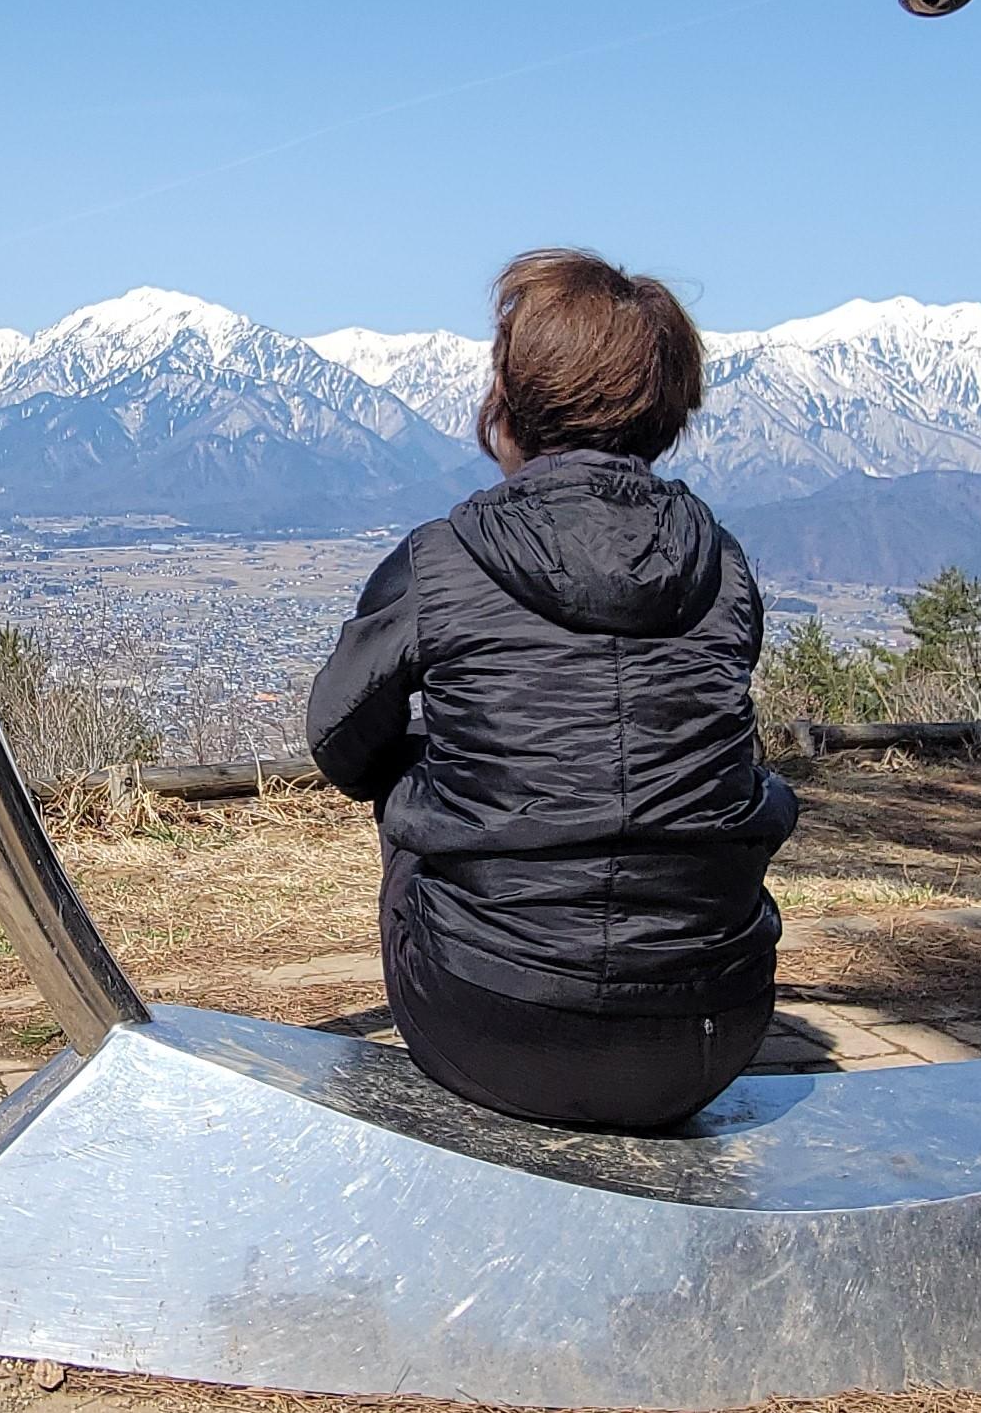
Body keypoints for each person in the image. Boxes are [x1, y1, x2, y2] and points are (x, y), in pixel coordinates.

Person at [305, 248, 794, 1134]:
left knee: (413, 773)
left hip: (489, 1023)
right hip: (712, 1036)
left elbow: (340, 739)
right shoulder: (721, 563)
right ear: (667, 411)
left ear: (509, 399)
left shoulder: (441, 559)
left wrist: (430, 773)